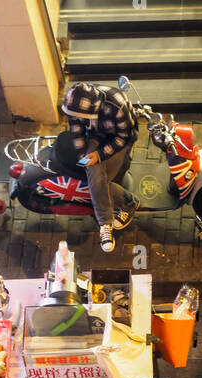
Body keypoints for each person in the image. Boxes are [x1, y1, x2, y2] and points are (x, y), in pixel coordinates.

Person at [61, 81, 139, 254]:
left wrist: (99, 155)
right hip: (96, 137)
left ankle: (105, 223)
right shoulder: (75, 104)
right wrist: (84, 157)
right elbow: (76, 132)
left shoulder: (117, 104)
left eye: (83, 117)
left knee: (98, 180)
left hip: (118, 140)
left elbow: (124, 137)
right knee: (95, 177)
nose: (78, 119)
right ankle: (125, 205)